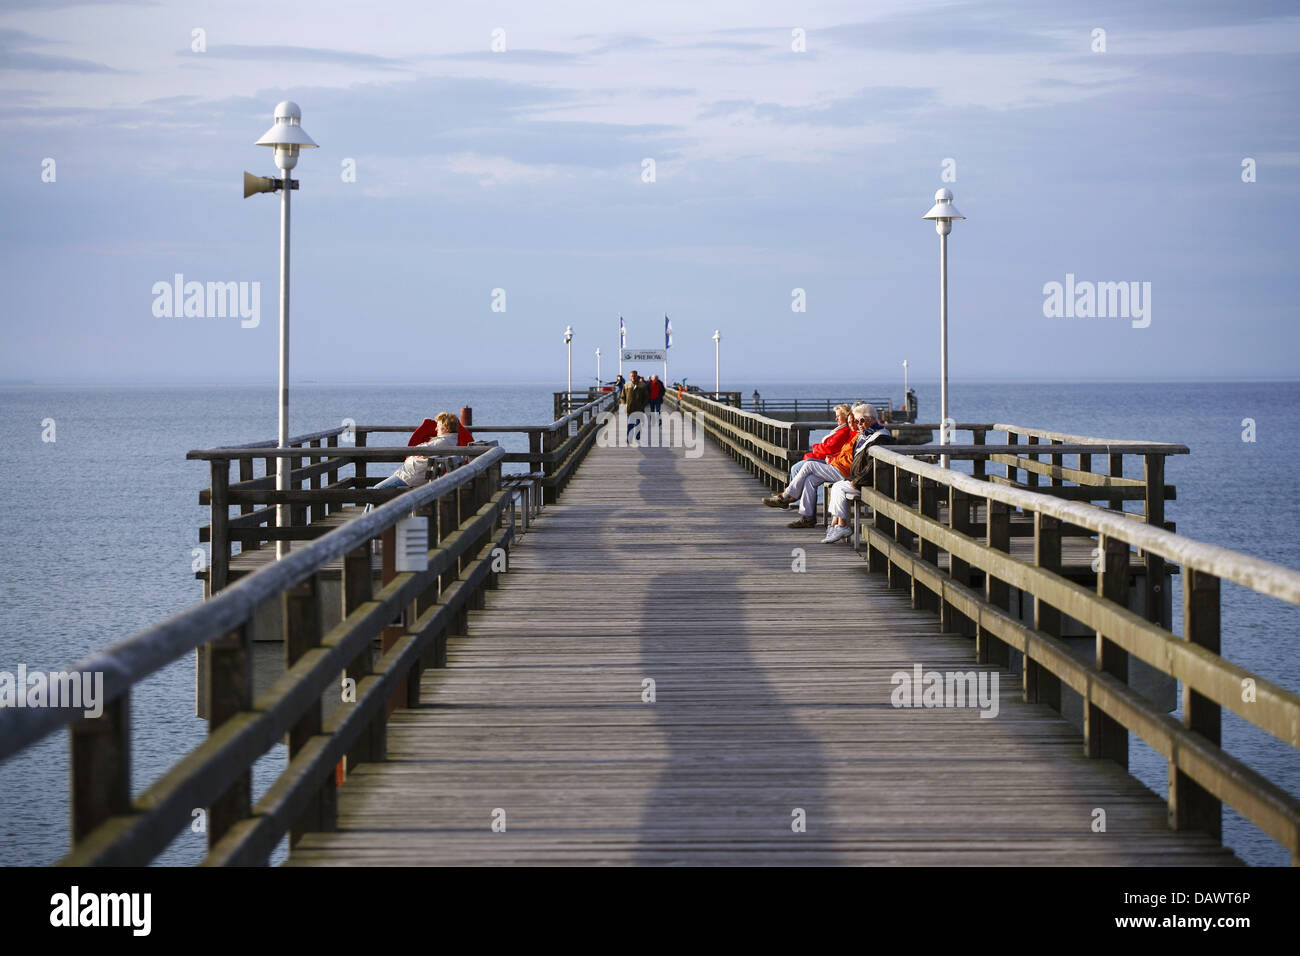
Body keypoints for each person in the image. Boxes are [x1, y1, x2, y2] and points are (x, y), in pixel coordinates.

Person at [767, 404, 882, 529]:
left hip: (844, 472)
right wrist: (833, 458)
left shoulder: (858, 436)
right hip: (838, 467)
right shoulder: (854, 434)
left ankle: (787, 496)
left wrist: (831, 458)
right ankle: (808, 517)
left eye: (854, 421)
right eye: (850, 422)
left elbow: (849, 459)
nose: (852, 424)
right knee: (810, 479)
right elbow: (842, 454)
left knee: (808, 465)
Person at [822, 413, 894, 543]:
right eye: (857, 421)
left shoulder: (880, 438)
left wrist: (856, 481)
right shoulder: (865, 436)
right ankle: (836, 525)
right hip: (861, 479)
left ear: (872, 420)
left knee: (838, 487)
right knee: (837, 486)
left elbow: (873, 466)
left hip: (874, 482)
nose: (859, 424)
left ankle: (842, 525)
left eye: (862, 420)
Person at [770, 404, 853, 495]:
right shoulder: (840, 430)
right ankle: (793, 499)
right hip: (828, 460)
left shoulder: (843, 432)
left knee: (795, 468)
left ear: (846, 416)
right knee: (805, 474)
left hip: (829, 462)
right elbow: (826, 448)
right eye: (836, 416)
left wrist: (815, 447)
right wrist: (818, 447)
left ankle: (791, 498)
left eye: (838, 416)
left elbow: (828, 449)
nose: (836, 419)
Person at [372, 412, 460, 496]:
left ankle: (369, 512)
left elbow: (418, 449)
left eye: (439, 426)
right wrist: (419, 454)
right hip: (411, 475)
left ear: (446, 428)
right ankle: (369, 512)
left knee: (376, 490)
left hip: (410, 477)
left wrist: (418, 453)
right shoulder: (447, 441)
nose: (436, 429)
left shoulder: (442, 442)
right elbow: (421, 450)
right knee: (378, 491)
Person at [623, 370, 650, 439]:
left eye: (634, 376)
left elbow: (646, 397)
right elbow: (622, 396)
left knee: (638, 424)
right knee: (630, 424)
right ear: (630, 376)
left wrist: (643, 405)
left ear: (637, 375)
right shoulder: (626, 384)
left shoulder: (642, 385)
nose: (633, 377)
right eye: (632, 376)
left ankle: (637, 437)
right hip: (630, 408)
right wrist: (624, 404)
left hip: (639, 408)